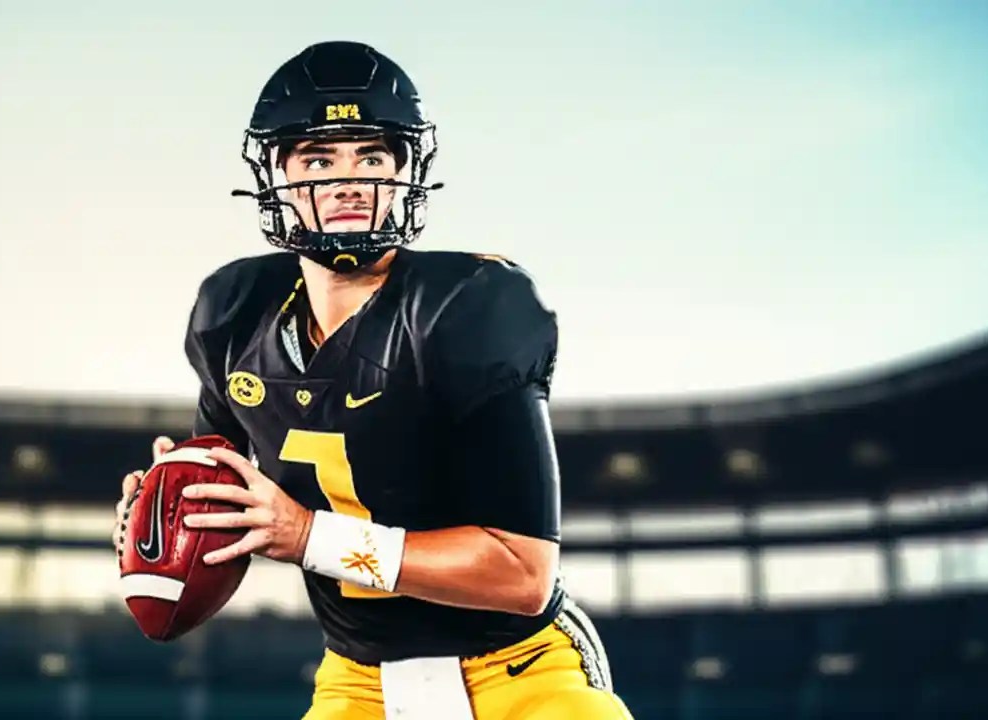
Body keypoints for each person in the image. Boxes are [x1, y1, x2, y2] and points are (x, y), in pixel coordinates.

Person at [116, 40, 633, 720]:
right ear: (275, 173)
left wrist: (310, 536)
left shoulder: (468, 306)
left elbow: (523, 573)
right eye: (318, 159)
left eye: (372, 156)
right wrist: (168, 514)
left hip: (521, 671)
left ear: (403, 171)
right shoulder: (234, 315)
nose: (348, 181)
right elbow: (229, 507)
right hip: (356, 683)